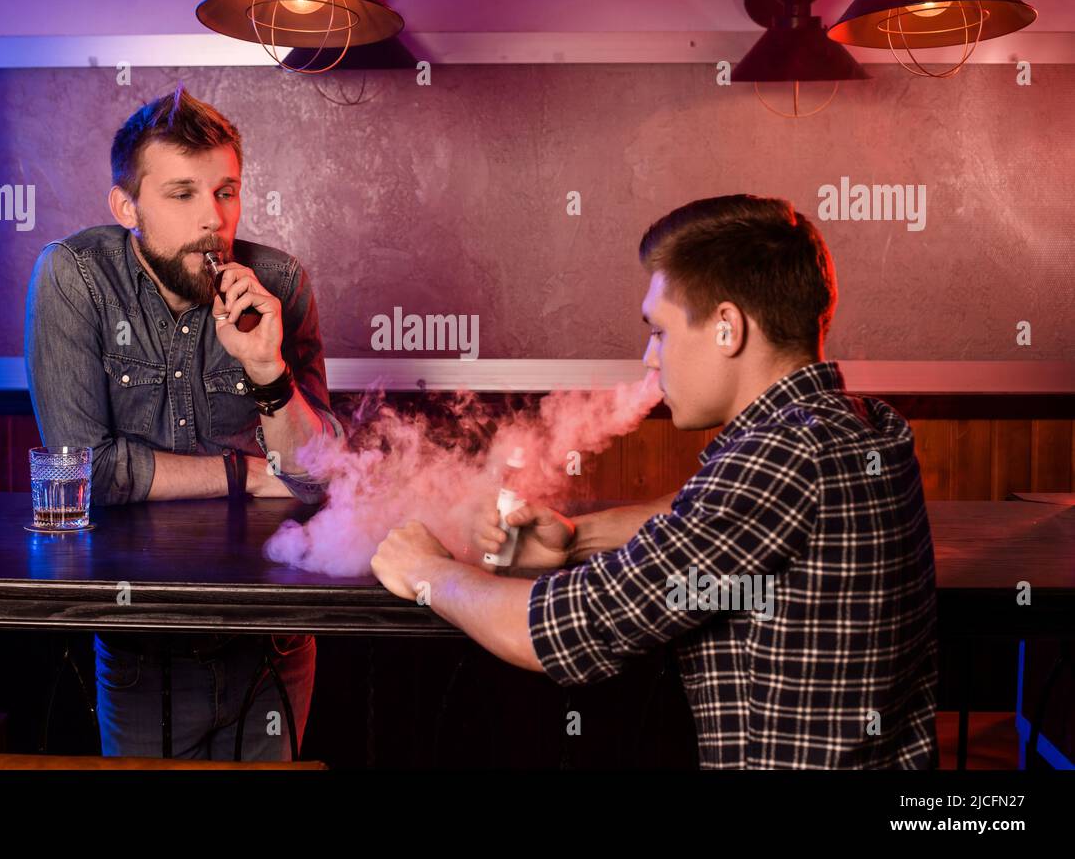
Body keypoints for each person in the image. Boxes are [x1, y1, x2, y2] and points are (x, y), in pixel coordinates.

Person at [371, 194, 938, 769]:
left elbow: (558, 633)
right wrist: (579, 537)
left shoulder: (779, 457)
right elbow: (707, 513)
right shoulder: (858, 425)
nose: (649, 358)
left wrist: (424, 571)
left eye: (660, 331)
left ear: (727, 328)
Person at [24, 84, 341, 759]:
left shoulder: (279, 281)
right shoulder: (74, 277)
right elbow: (91, 472)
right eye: (182, 194)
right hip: (143, 640)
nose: (212, 218)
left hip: (272, 636)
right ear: (126, 206)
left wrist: (268, 372)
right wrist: (246, 473)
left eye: (226, 192)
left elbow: (317, 480)